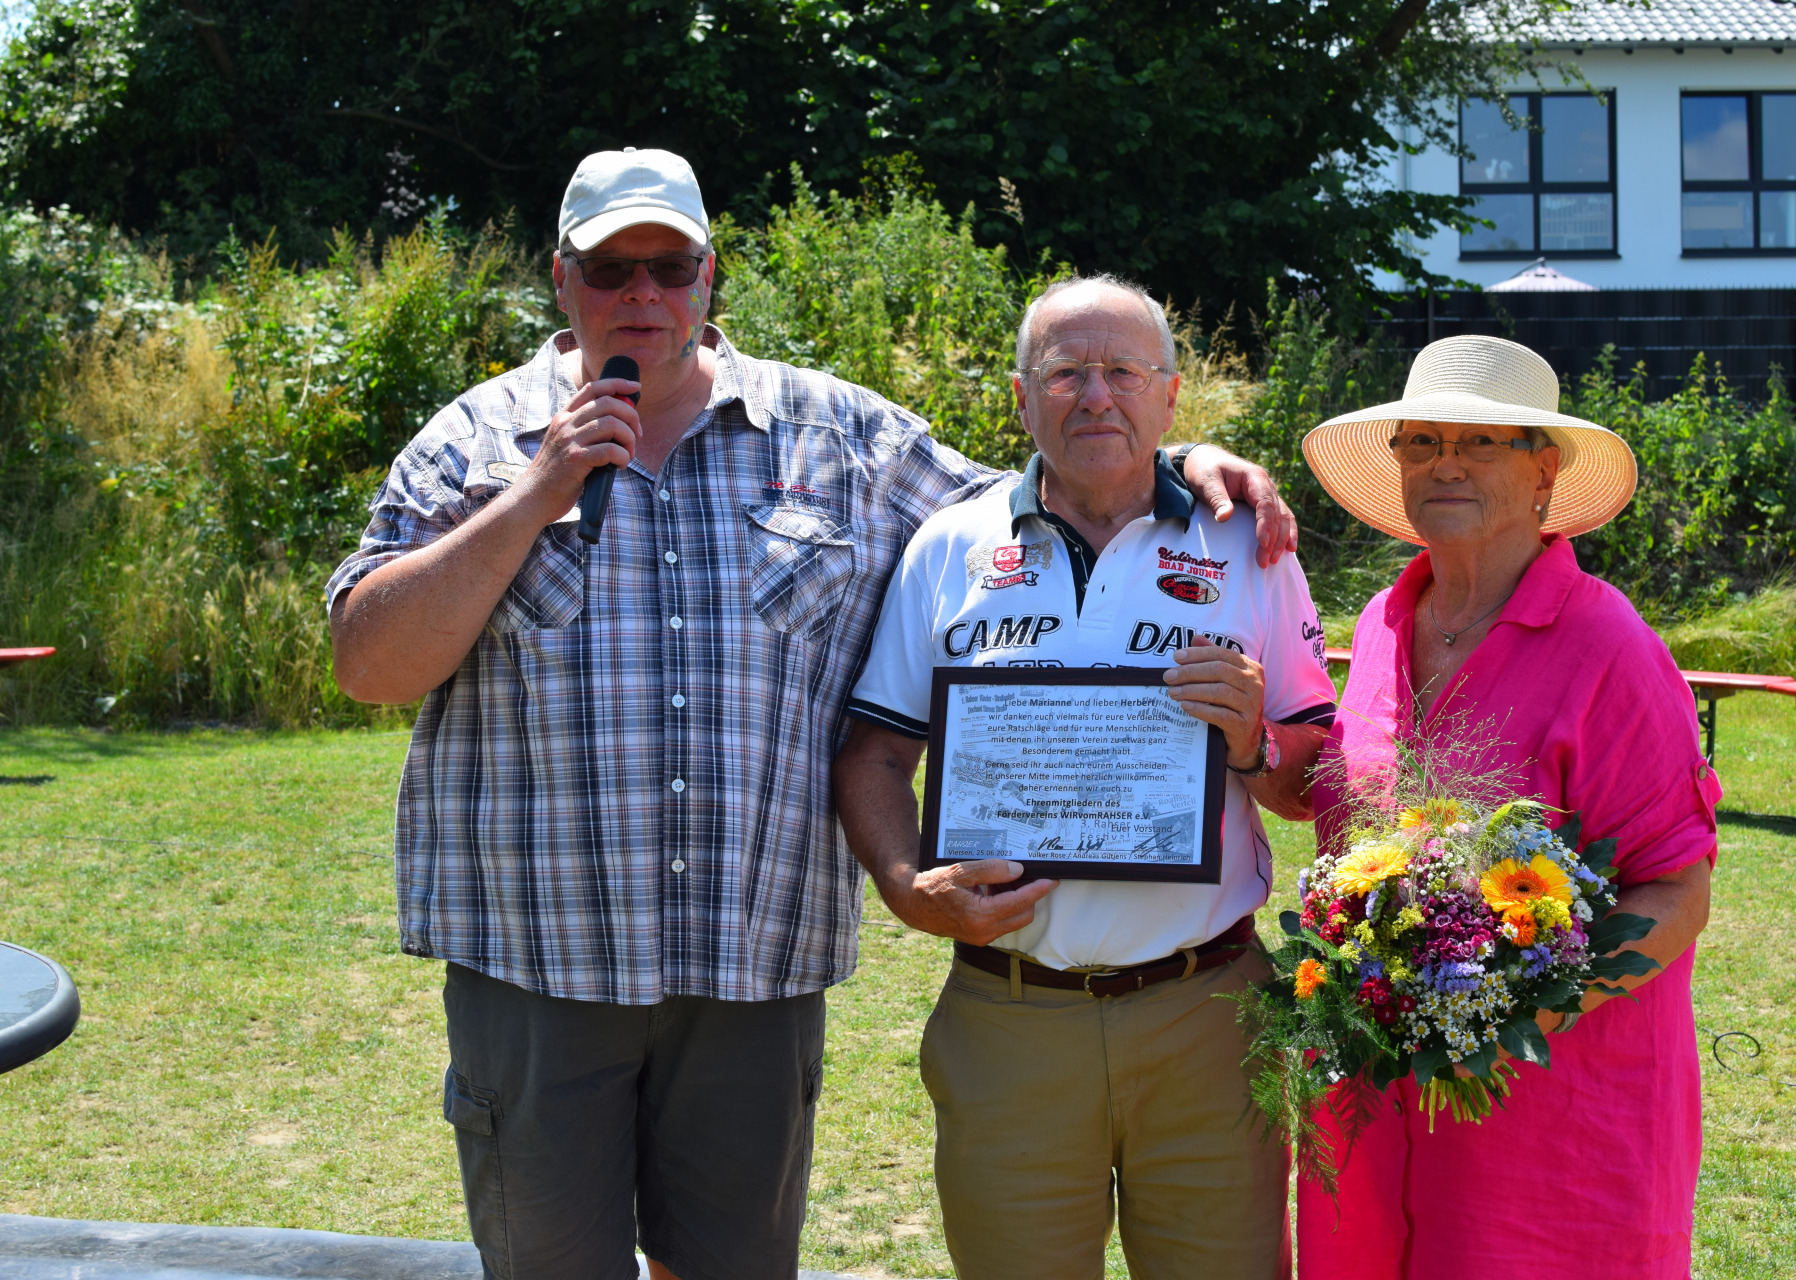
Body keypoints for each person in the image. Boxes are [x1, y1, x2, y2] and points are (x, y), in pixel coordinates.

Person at [324, 149, 1295, 1280]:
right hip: (541, 962)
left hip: (750, 969)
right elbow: (369, 663)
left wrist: (1183, 463)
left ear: (709, 273)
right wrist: (538, 491)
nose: (642, 293)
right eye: (609, 268)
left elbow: (1060, 503)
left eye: (669, 264)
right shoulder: (475, 441)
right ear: (561, 279)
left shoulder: (840, 437)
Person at [833, 274, 1338, 1280]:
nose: (1096, 395)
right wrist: (903, 883)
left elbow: (1314, 778)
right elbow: (877, 749)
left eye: (1123, 371)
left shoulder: (1250, 542)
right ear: (1021, 398)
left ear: (1170, 395)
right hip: (1010, 1011)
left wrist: (1248, 744)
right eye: (1066, 372)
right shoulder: (949, 546)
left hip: (1207, 1011)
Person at [1293, 334, 1717, 1278]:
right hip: (1372, 1104)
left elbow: (1679, 889)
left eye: (1480, 442)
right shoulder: (1380, 621)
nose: (1444, 461)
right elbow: (1345, 832)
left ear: (1543, 470)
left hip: (1548, 1123)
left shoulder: (1610, 645)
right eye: (1422, 440)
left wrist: (1508, 1016)